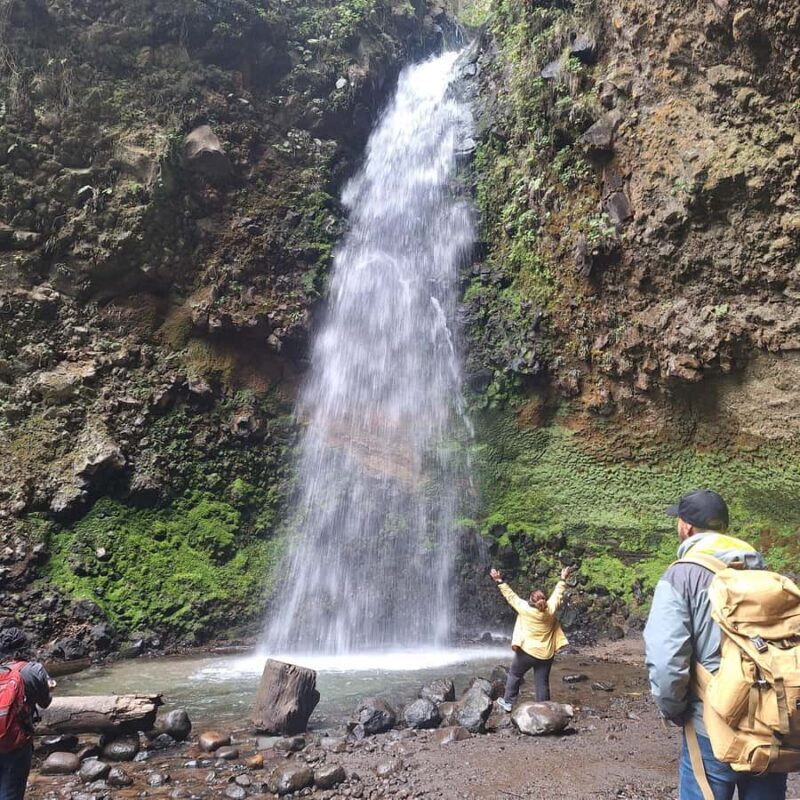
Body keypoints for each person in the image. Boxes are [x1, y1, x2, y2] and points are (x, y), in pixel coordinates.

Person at [643, 489, 787, 800]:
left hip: (713, 720)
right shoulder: (763, 574)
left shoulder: (681, 576)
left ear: (686, 527)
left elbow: (667, 659)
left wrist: (674, 710)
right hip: (771, 720)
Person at [489, 564, 574, 711]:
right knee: (542, 682)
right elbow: (558, 593)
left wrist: (499, 580)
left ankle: (508, 703)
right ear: (544, 601)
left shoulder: (524, 608)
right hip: (546, 654)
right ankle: (545, 709)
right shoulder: (551, 609)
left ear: (531, 600)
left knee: (514, 674)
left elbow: (510, 596)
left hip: (527, 652)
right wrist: (563, 578)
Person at [0, 627, 54, 800]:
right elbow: (45, 703)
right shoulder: (33, 670)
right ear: (25, 647)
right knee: (11, 792)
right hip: (16, 742)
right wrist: (49, 687)